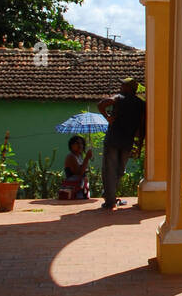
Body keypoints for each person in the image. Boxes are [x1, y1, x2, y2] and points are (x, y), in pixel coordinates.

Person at [98, 77, 145, 211]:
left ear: (128, 88)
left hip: (113, 139)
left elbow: (102, 104)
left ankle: (109, 200)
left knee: (109, 170)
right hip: (127, 141)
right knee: (119, 170)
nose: (120, 87)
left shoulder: (119, 98)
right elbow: (142, 125)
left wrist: (107, 117)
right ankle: (110, 196)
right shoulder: (140, 104)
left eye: (122, 85)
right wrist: (140, 143)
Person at [61, 135, 92, 199]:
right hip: (73, 186)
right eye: (77, 143)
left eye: (82, 143)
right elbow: (79, 172)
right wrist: (87, 158)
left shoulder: (79, 156)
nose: (80, 146)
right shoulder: (71, 156)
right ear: (71, 145)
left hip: (81, 185)